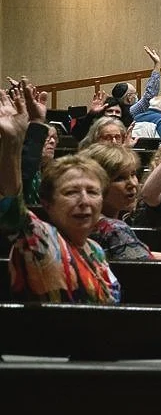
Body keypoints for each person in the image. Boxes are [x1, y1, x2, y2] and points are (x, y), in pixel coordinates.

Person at [0, 88, 119, 303]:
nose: (84, 201)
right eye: (71, 192)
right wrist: (13, 142)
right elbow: (12, 206)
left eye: (92, 192)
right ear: (47, 203)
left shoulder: (95, 250)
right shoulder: (39, 237)